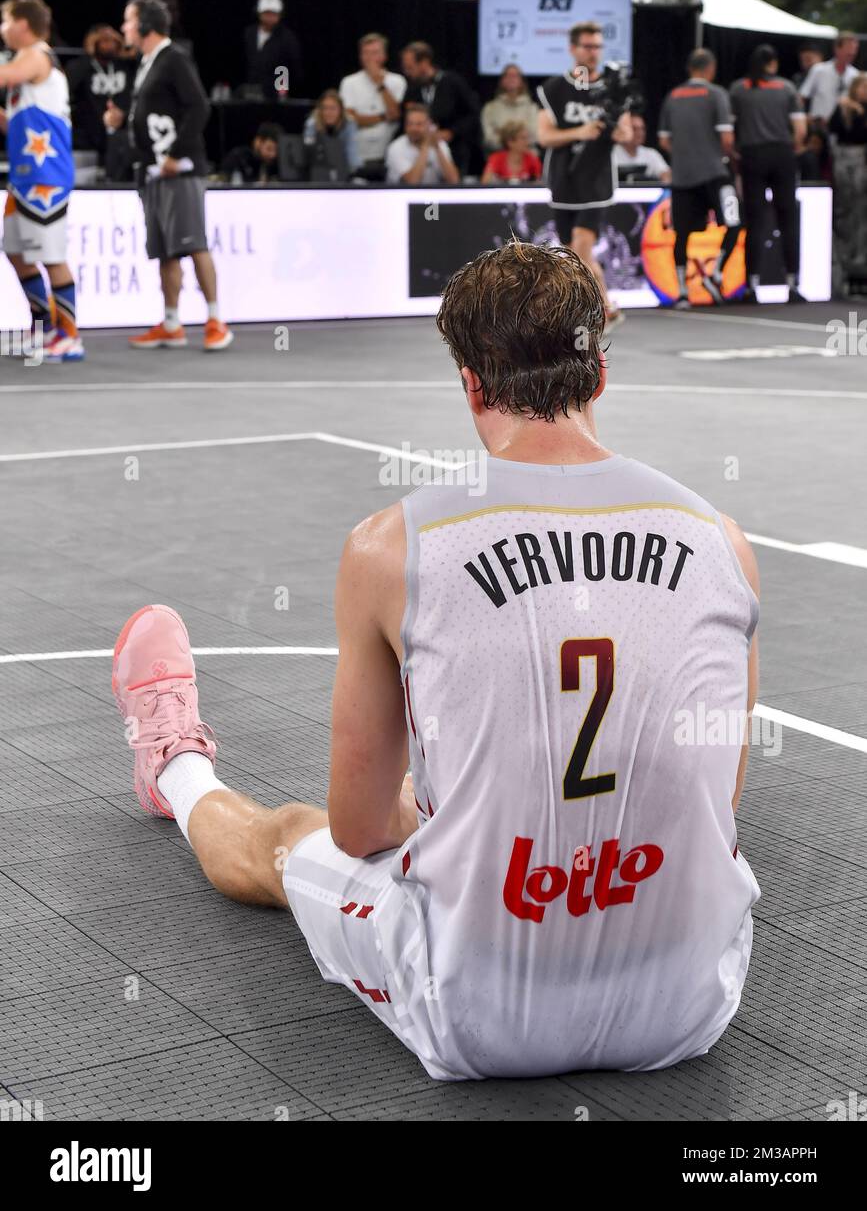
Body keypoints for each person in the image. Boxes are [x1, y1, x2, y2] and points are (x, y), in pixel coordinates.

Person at [110, 239, 761, 1081]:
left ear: (470, 385)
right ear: (598, 374)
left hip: (479, 1013)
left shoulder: (391, 546)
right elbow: (722, 796)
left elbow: (361, 827)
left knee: (291, 835)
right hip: (689, 1003)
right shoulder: (722, 540)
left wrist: (439, 812)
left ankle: (174, 767)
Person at [103, 0, 232, 351]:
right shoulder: (148, 61)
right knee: (166, 250)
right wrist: (121, 121)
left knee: (194, 242)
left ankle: (216, 319)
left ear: (145, 24)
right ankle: (172, 322)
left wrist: (177, 154)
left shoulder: (173, 58)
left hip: (179, 170)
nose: (124, 28)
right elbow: (157, 110)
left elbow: (199, 106)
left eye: (128, 21)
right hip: (154, 171)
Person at [536, 20, 634, 332]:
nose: (593, 53)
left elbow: (626, 132)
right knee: (570, 253)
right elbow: (544, 136)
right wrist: (582, 131)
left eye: (597, 47)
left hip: (596, 180)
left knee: (581, 247)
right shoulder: (555, 88)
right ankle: (606, 306)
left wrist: (615, 127)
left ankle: (588, 314)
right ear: (573, 49)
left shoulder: (613, 89)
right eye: (587, 46)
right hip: (564, 179)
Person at [0, 0, 82, 361]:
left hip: (45, 176)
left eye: (5, 21)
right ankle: (44, 329)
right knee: (17, 253)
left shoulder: (35, 55)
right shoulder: (24, 68)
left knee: (51, 255)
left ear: (22, 24)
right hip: (24, 175)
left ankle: (69, 335)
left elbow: (7, 75)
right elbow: (13, 125)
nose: (2, 29)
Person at [657, 48, 742, 308]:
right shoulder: (717, 94)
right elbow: (727, 139)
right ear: (711, 69)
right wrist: (721, 156)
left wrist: (685, 154)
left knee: (682, 234)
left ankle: (682, 292)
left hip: (682, 176)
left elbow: (663, 140)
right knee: (734, 222)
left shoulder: (673, 97)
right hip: (715, 173)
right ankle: (716, 272)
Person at [729, 44, 807, 303]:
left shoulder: (740, 89)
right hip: (781, 154)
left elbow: (729, 132)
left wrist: (737, 154)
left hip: (752, 155)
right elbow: (800, 130)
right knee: (788, 218)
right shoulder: (786, 88)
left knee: (755, 221)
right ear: (773, 64)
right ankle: (792, 284)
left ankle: (752, 286)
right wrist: (792, 150)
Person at [400, 42, 480, 177]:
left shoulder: (453, 82)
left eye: (410, 67)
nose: (407, 72)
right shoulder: (412, 87)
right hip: (419, 149)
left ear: (424, 63)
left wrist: (451, 132)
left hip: (453, 149)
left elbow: (473, 114)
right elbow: (404, 115)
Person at [338, 32, 406, 181]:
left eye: (375, 53)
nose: (370, 58)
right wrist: (383, 117)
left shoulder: (397, 81)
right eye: (366, 53)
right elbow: (351, 119)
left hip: (387, 155)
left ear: (384, 56)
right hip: (358, 155)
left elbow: (396, 114)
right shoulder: (349, 82)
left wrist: (380, 84)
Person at [66, 24, 132, 161]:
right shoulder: (80, 67)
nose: (110, 45)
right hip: (88, 136)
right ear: (94, 43)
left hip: (121, 136)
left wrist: (123, 114)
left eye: (113, 41)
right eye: (105, 41)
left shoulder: (127, 66)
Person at [827, 73, 867, 283]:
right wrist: (846, 111)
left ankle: (859, 260)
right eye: (862, 87)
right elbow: (833, 129)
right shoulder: (844, 107)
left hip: (861, 160)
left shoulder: (862, 110)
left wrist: (860, 113)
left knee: (860, 210)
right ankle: (843, 260)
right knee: (845, 209)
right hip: (843, 160)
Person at [243, 0, 303, 100]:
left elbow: (289, 67)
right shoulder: (249, 34)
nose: (270, 17)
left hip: (275, 94)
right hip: (250, 91)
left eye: (274, 14)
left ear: (280, 15)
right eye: (266, 13)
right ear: (259, 13)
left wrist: (281, 91)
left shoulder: (287, 38)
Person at [385, 103, 460, 186]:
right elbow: (412, 182)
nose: (413, 128)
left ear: (429, 125)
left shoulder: (440, 145)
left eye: (419, 124)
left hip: (433, 195)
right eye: (410, 124)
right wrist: (425, 146)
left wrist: (437, 148)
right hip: (402, 195)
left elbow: (454, 180)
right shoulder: (396, 147)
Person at [798, 32, 860, 126]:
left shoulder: (855, 74)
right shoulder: (819, 70)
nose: (852, 52)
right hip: (818, 126)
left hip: (843, 128)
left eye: (855, 49)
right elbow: (802, 97)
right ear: (837, 49)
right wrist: (802, 118)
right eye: (849, 48)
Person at [303, 90, 361, 182]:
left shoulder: (349, 124)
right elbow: (307, 152)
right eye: (325, 108)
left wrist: (352, 174)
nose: (328, 112)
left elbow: (352, 154)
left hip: (343, 171)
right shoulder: (312, 124)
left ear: (340, 110)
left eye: (333, 108)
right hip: (316, 172)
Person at [481, 64, 538, 153]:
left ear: (521, 81)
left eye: (515, 76)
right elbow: (489, 137)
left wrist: (503, 134)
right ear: (502, 81)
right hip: (499, 154)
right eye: (507, 75)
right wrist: (516, 141)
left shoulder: (532, 108)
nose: (511, 78)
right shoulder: (490, 108)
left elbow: (535, 135)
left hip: (527, 154)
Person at [614, 114, 671, 183]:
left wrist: (665, 177)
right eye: (634, 129)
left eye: (642, 129)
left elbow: (666, 173)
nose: (640, 133)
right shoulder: (611, 153)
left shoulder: (651, 153)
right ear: (622, 130)